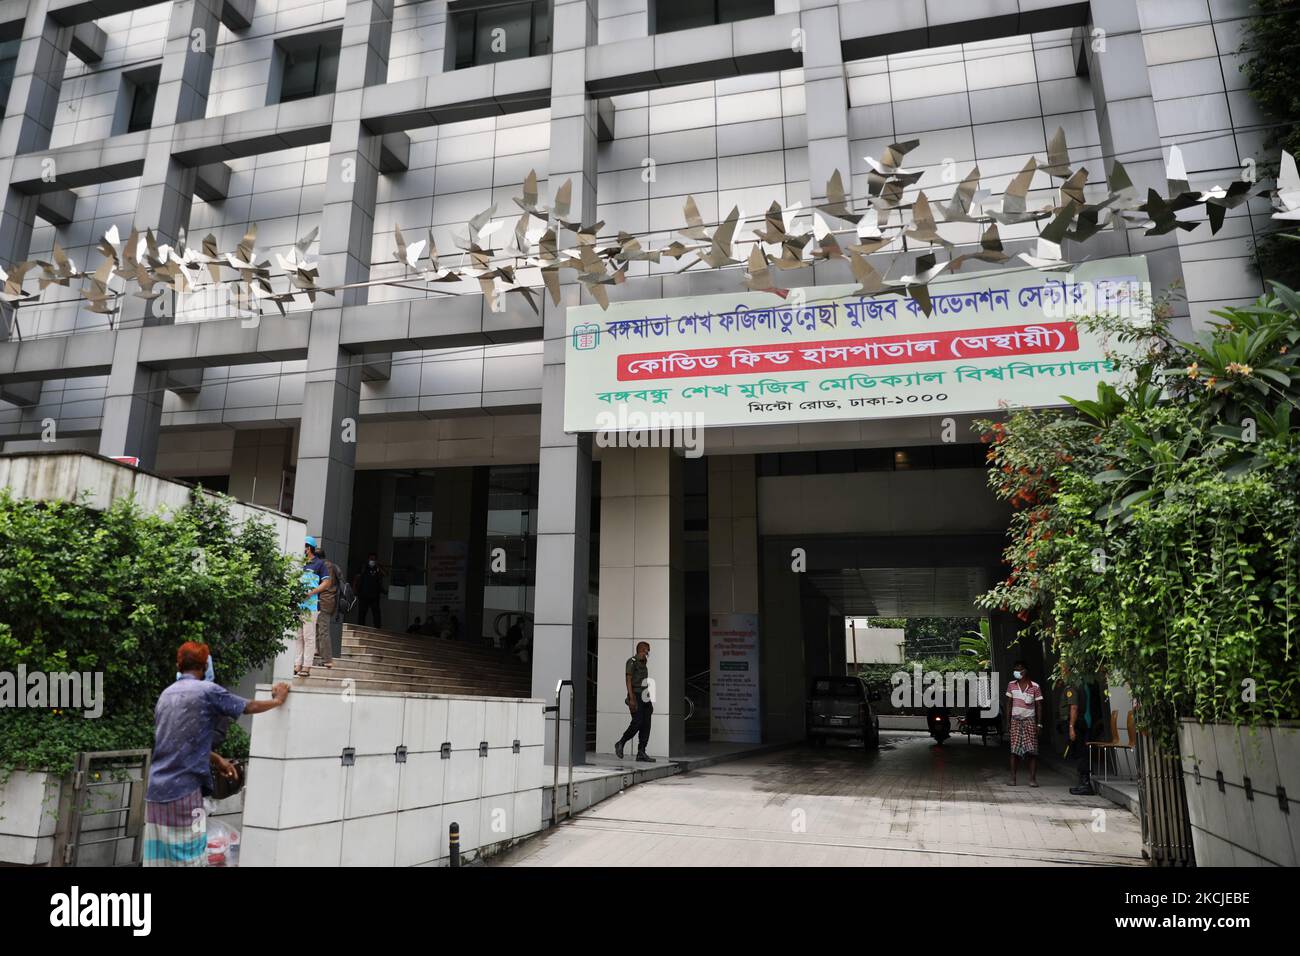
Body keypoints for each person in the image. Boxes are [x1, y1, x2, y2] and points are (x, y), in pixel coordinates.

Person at [144, 642, 289, 866]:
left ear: (178, 664)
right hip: (184, 792)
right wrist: (278, 700)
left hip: (156, 794)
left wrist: (216, 759)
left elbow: (177, 743)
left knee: (161, 860)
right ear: (204, 666)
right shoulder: (207, 691)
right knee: (190, 857)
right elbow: (248, 706)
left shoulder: (166, 695)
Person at [1057, 662, 1097, 795]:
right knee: (1081, 752)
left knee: (1080, 753)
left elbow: (1073, 707)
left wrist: (1071, 727)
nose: (1061, 671)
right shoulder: (1081, 683)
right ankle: (1083, 783)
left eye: (1063, 668)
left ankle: (1085, 784)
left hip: (1077, 723)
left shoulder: (1072, 686)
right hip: (1083, 722)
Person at [294, 536, 332, 677]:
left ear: (308, 548)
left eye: (303, 547)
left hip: (311, 606)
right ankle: (297, 664)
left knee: (308, 636)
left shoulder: (319, 564)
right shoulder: (300, 563)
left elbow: (326, 582)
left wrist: (311, 593)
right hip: (299, 604)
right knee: (298, 636)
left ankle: (306, 666)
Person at [614, 641, 655, 763]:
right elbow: (628, 680)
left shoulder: (644, 663)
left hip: (645, 695)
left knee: (646, 724)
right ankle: (621, 742)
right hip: (636, 694)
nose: (648, 653)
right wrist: (631, 698)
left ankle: (641, 752)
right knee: (637, 722)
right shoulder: (631, 661)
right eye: (647, 650)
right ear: (642, 649)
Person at [1005, 660, 1043, 786]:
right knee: (1014, 751)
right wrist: (1008, 722)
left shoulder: (1035, 686)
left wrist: (1039, 724)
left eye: (1019, 668)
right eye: (1015, 668)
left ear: (1025, 670)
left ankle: (1032, 779)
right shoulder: (1011, 685)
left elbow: (1039, 706)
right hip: (1015, 721)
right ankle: (1013, 779)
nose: (1016, 671)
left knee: (1032, 751)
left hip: (1030, 721)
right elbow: (1009, 704)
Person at [312, 545, 340, 670]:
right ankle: (318, 652)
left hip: (324, 601)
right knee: (318, 628)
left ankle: (328, 659)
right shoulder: (331, 565)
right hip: (328, 601)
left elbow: (322, 585)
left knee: (323, 630)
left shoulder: (324, 566)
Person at [354, 552, 385, 628]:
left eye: (374, 559)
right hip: (363, 594)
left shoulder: (377, 568)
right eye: (371, 559)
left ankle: (378, 627)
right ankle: (360, 627)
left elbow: (385, 574)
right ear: (368, 559)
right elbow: (356, 578)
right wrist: (354, 589)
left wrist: (378, 566)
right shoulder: (363, 567)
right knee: (362, 612)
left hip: (375, 595)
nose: (372, 561)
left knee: (376, 612)